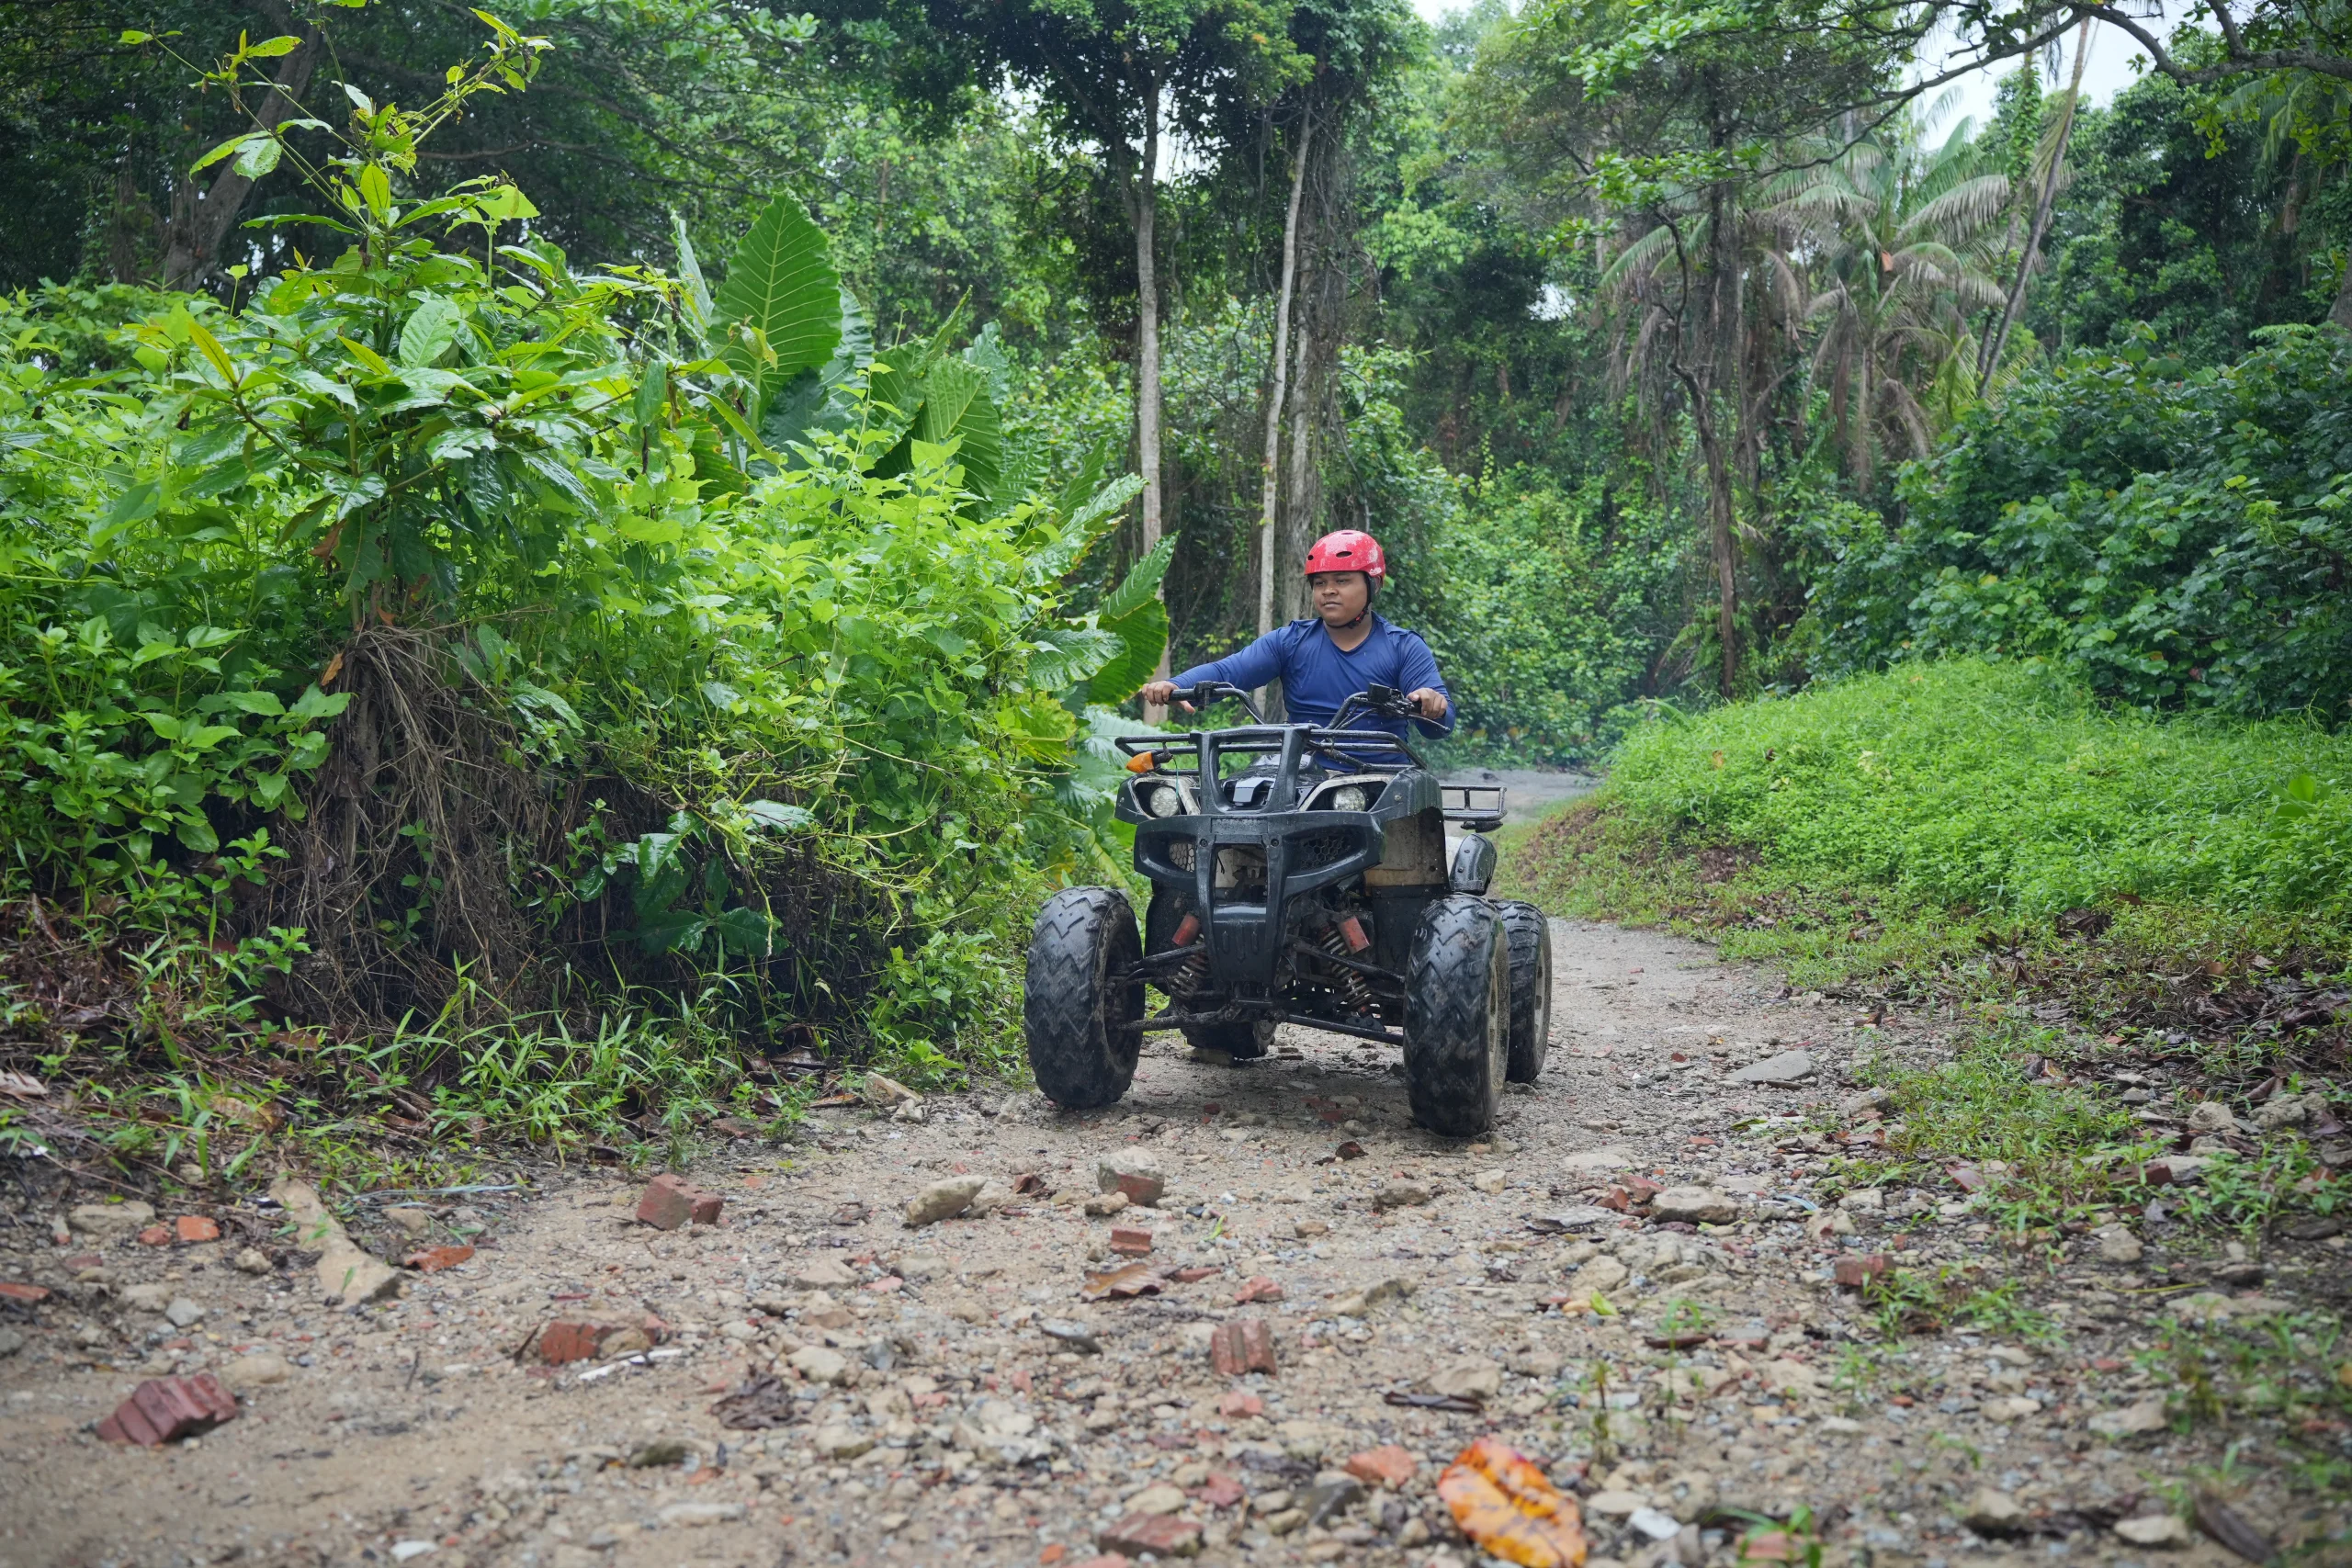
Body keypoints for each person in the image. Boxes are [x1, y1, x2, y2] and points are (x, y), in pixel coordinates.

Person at [1141, 528, 1453, 749]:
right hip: (1302, 770)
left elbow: (1442, 725)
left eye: (1342, 580)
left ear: (1373, 585)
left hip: (1380, 776)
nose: (1328, 590)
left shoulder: (1404, 647)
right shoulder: (1290, 641)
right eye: (1320, 583)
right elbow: (1228, 673)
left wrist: (1431, 705)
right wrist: (1177, 683)